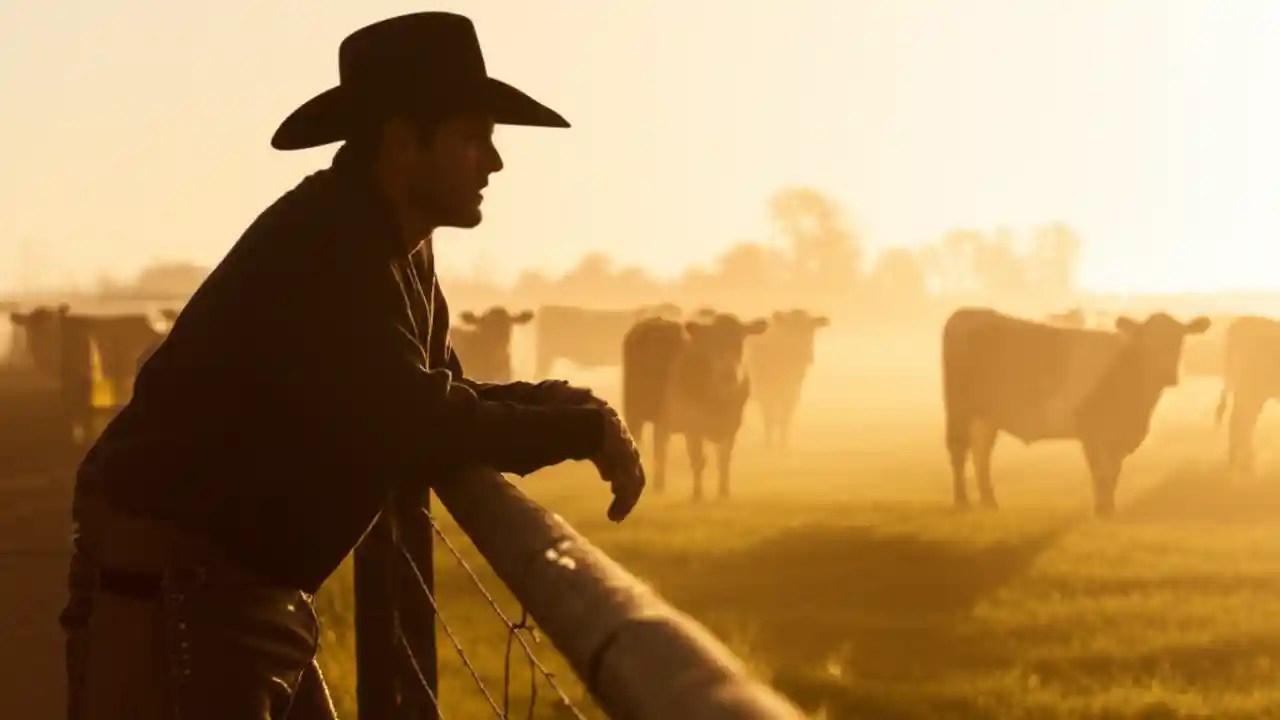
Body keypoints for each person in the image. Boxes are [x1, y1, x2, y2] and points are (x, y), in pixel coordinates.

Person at [58, 12, 645, 719]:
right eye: (473, 137)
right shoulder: (332, 251)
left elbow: (436, 392)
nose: (494, 162)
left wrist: (562, 404)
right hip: (181, 588)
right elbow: (419, 422)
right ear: (402, 143)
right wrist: (579, 431)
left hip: (233, 586)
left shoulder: (383, 240)